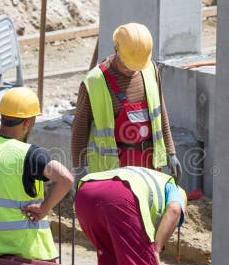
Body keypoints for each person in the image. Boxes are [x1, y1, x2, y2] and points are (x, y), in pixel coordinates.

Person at [0, 87, 73, 260]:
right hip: (27, 254)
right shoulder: (30, 154)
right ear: (28, 123)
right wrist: (44, 208)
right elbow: (66, 179)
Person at [71, 23, 181, 182]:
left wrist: (170, 151)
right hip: (111, 171)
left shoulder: (150, 70)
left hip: (149, 164)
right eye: (128, 63)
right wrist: (79, 169)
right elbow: (79, 128)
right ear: (116, 49)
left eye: (137, 64)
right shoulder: (94, 82)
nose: (132, 69)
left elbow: (160, 112)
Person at [74, 166, 186, 265]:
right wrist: (156, 250)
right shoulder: (173, 188)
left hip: (85, 194)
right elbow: (175, 210)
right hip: (119, 196)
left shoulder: (151, 180)